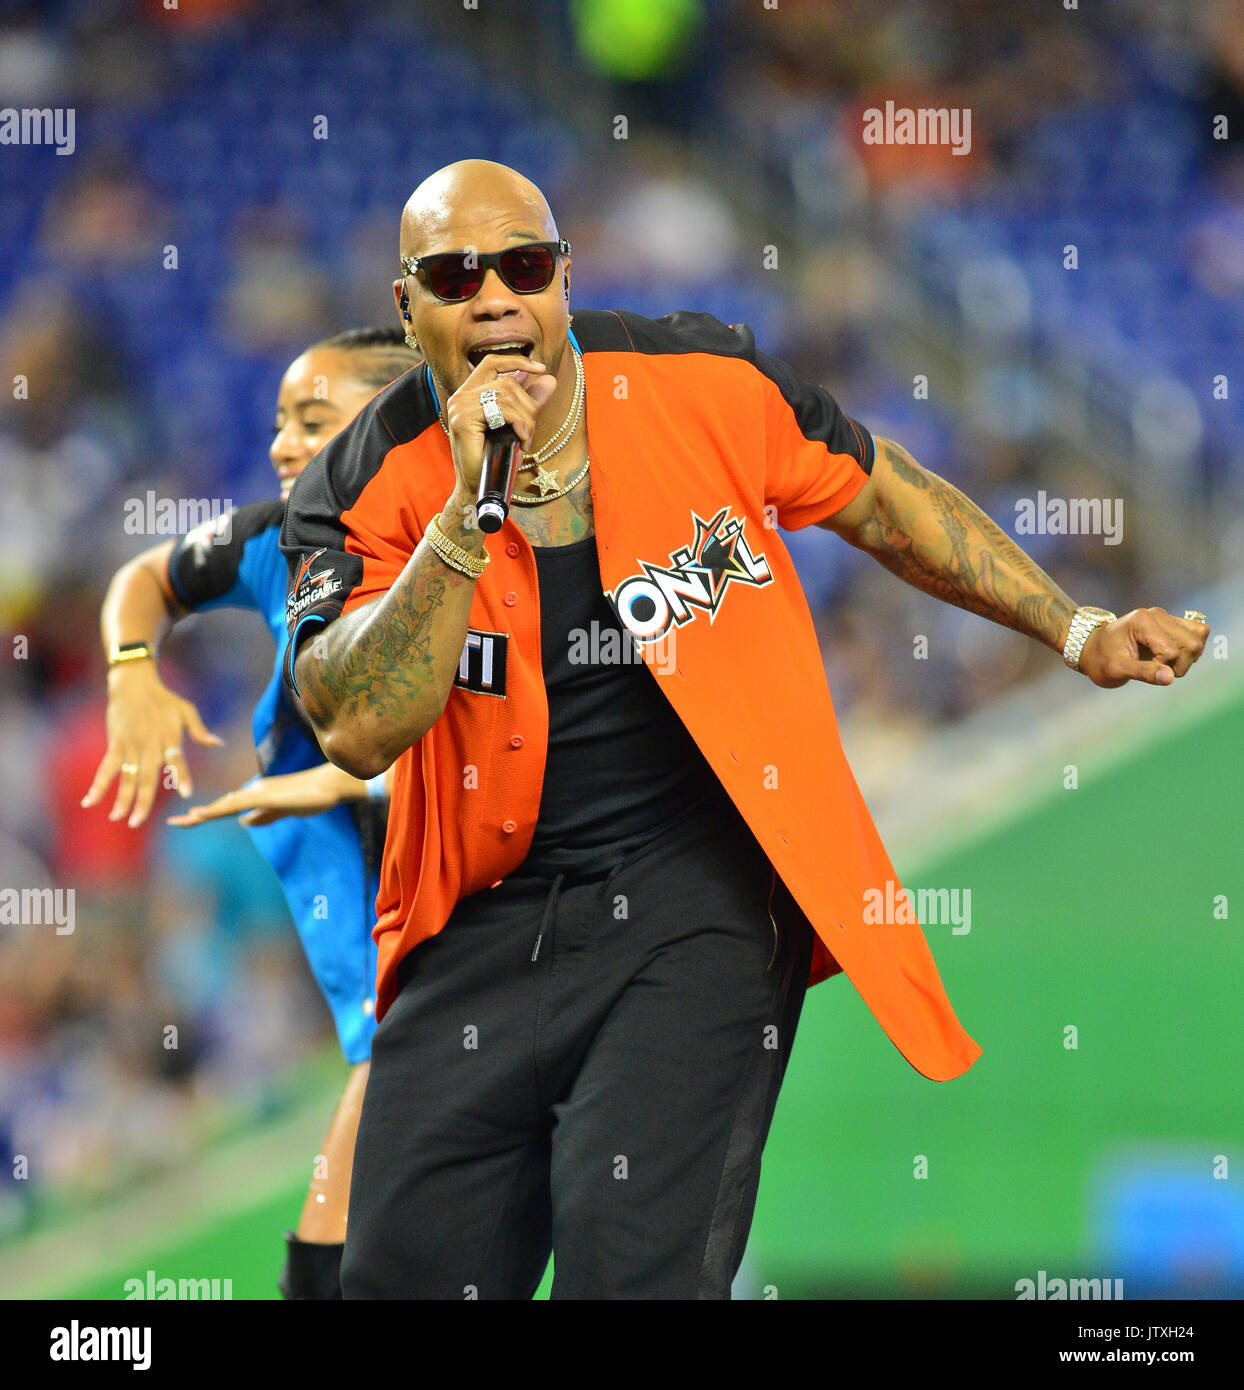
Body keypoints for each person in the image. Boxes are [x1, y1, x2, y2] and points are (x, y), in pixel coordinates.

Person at [279, 160, 1211, 1300]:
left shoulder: (697, 378)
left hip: (696, 900)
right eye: (453, 274)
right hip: (475, 917)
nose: (493, 298)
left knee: (631, 1274)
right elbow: (354, 724)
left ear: (564, 278)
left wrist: (1074, 628)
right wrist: (465, 523)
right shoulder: (359, 478)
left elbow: (881, 492)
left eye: (523, 266)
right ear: (407, 301)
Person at [81, 326, 417, 1299]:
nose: (280, 443)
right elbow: (144, 582)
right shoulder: (274, 542)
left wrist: (350, 781)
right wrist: (133, 671)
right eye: (277, 421)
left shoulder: (491, 551)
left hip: (502, 952)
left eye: (311, 421)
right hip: (388, 979)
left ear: (403, 425)